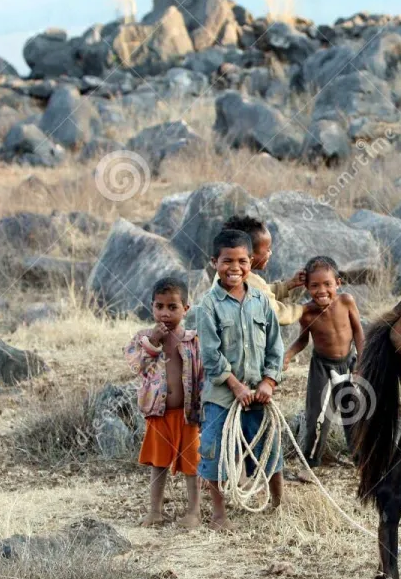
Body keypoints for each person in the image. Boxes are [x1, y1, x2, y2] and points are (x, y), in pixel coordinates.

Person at [192, 229, 285, 530]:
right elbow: (210, 353)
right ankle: (220, 515)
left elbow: (275, 345)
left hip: (259, 394)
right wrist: (236, 385)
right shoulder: (209, 305)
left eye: (242, 261)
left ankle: (278, 505)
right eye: (227, 261)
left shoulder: (261, 301)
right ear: (214, 262)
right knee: (215, 450)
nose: (235, 267)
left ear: (252, 261)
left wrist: (268, 381)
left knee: (269, 447)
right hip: (223, 396)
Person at [124, 276, 204, 529]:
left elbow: (203, 374)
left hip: (187, 414)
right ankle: (155, 511)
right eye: (159, 307)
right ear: (152, 307)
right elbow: (138, 367)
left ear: (186, 309)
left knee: (193, 463)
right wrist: (154, 343)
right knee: (158, 463)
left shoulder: (193, 341)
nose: (165, 313)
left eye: (172, 307)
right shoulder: (142, 339)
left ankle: (194, 512)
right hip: (158, 414)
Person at [283, 256, 365, 467]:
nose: (322, 290)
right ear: (306, 287)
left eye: (327, 284)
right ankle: (311, 462)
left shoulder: (346, 301)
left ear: (338, 283)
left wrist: (361, 361)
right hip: (322, 367)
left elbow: (358, 331)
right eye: (314, 285)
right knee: (318, 417)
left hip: (348, 363)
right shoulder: (307, 313)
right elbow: (302, 340)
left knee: (353, 411)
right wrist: (288, 355)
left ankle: (360, 457)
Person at [188, 215, 304, 327]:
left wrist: (288, 285)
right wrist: (304, 309)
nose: (270, 253)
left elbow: (260, 292)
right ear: (249, 253)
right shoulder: (253, 281)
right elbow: (277, 314)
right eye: (267, 249)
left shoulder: (224, 275)